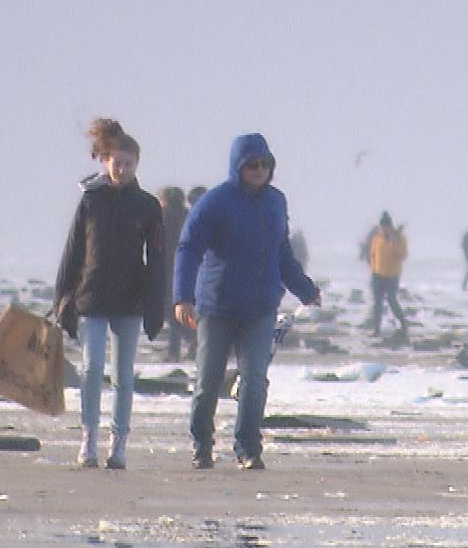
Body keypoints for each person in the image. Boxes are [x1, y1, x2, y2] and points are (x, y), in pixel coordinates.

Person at [173, 133, 320, 471]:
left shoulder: (275, 202)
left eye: (264, 164)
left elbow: (281, 253)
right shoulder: (214, 203)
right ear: (238, 167)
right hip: (217, 306)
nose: (259, 170)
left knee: (254, 379)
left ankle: (248, 447)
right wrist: (182, 296)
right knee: (208, 383)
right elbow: (188, 248)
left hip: (260, 308)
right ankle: (201, 444)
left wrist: (305, 289)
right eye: (252, 165)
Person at [54, 119, 164, 470]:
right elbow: (73, 252)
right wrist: (62, 297)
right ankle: (88, 439)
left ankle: (119, 444)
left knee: (123, 376)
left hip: (129, 301)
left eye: (128, 164)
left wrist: (155, 306)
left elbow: (158, 260)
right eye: (116, 162)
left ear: (137, 165)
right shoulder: (91, 200)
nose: (122, 169)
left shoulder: (147, 206)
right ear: (105, 162)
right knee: (92, 368)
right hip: (92, 298)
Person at [158, 186, 191, 362]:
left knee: (169, 312)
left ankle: (192, 341)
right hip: (186, 270)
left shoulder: (163, 218)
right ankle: (174, 350)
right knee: (178, 310)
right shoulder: (188, 217)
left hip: (167, 271)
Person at [364, 211, 410, 336]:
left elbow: (403, 255)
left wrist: (393, 242)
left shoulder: (399, 238)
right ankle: (376, 330)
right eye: (383, 227)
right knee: (377, 303)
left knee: (391, 300)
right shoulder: (377, 238)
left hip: (392, 275)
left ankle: (404, 325)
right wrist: (373, 268)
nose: (385, 229)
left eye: (387, 227)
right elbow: (372, 254)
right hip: (377, 274)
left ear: (391, 226)